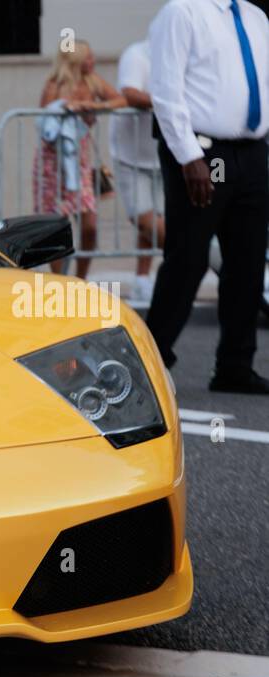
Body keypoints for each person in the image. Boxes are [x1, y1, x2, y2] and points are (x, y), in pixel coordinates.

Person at [148, 0, 269, 393]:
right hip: (203, 153)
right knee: (188, 258)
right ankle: (150, 359)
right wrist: (189, 156)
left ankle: (234, 365)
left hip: (250, 151)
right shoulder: (182, 12)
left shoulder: (255, 16)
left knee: (248, 263)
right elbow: (166, 90)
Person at [35, 40, 127, 279]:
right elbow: (46, 123)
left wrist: (90, 106)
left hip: (80, 160)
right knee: (55, 226)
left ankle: (80, 277)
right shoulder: (54, 85)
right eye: (87, 57)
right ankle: (59, 280)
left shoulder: (92, 81)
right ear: (75, 59)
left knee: (90, 225)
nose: (92, 61)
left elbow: (121, 100)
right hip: (52, 162)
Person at [111, 39, 166, 306]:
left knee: (158, 219)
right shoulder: (137, 54)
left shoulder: (182, 55)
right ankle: (195, 254)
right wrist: (168, 102)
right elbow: (130, 93)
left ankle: (142, 281)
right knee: (145, 221)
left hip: (163, 155)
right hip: (130, 155)